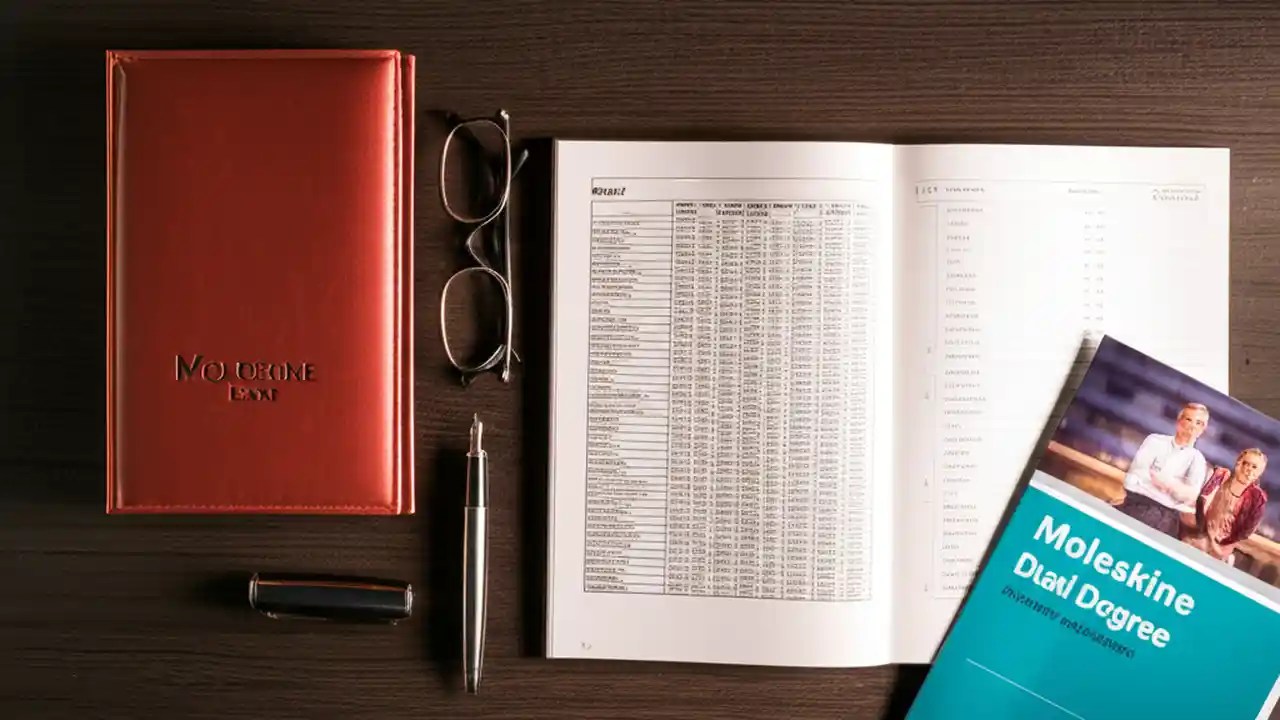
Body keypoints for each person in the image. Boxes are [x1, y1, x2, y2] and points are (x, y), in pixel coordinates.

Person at [1114, 402, 1210, 537]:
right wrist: (1174, 489)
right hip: (1135, 503)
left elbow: (1191, 496)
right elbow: (1134, 478)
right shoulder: (1154, 441)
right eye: (1189, 419)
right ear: (1179, 421)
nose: (1192, 426)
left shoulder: (1198, 460)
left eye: (1198, 423)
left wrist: (1165, 484)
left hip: (1166, 517)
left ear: (1202, 429)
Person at [1183, 448, 1269, 564]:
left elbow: (1247, 530)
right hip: (1198, 535)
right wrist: (1204, 533)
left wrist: (1219, 544)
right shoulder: (1221, 476)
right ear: (1238, 462)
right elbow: (1202, 500)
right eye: (1245, 463)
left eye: (1254, 467)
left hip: (1222, 548)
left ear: (1260, 471)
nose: (1248, 468)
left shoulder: (1257, 497)